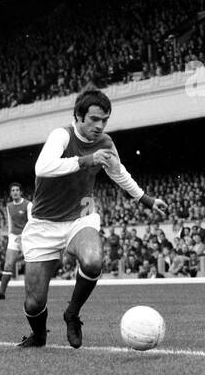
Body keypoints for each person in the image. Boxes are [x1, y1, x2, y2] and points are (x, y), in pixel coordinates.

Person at [17, 87, 167, 349]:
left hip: (81, 215)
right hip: (43, 224)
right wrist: (86, 159)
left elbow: (119, 173)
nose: (100, 126)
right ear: (78, 116)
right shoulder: (61, 135)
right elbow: (42, 167)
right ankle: (39, 336)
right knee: (34, 302)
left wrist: (146, 199)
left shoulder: (106, 143)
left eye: (105, 120)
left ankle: (72, 313)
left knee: (93, 261)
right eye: (94, 119)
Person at [0, 183, 30, 300]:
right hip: (14, 237)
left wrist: (23, 237)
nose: (15, 192)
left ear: (21, 192)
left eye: (17, 190)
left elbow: (32, 223)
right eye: (13, 190)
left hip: (26, 237)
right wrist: (10, 235)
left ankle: (30, 293)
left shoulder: (28, 204)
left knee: (30, 264)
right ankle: (1, 293)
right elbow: (10, 223)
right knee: (8, 264)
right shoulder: (9, 206)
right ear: (10, 193)